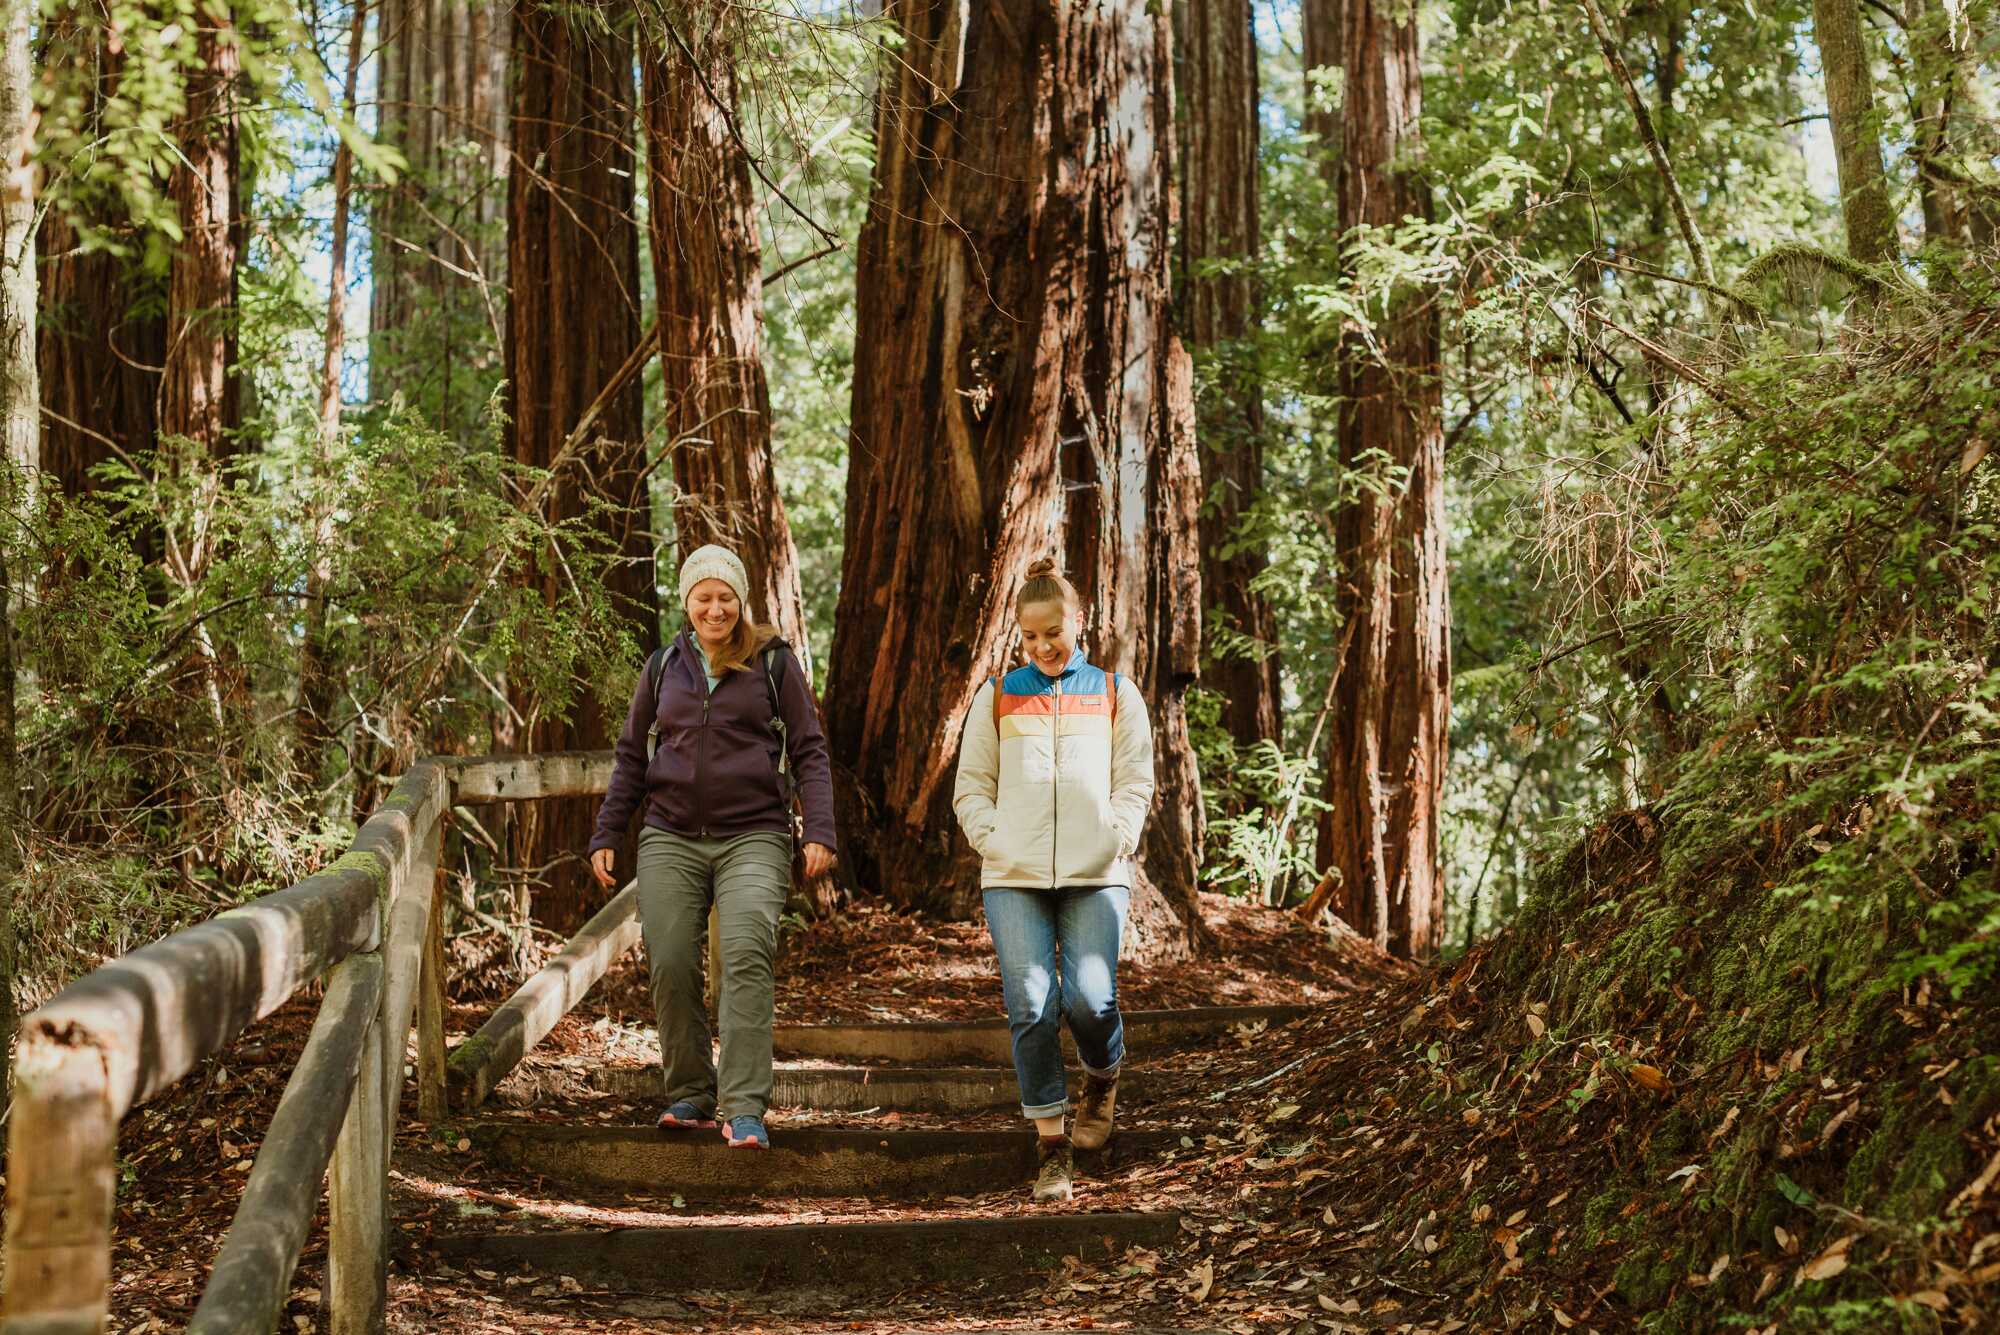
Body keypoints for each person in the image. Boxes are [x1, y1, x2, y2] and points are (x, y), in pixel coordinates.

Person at [589, 544, 836, 1150]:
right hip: (670, 835)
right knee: (671, 961)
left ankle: (745, 1106)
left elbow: (809, 750)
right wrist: (606, 832)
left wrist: (821, 829)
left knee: (746, 956)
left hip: (754, 833)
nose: (716, 607)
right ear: (688, 602)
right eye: (704, 597)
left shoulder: (772, 663)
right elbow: (629, 758)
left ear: (741, 601)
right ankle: (692, 1093)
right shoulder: (663, 667)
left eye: (726, 596)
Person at [952, 557, 1155, 1202]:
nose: (1043, 646)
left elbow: (1136, 781)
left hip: (1095, 873)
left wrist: (1116, 836)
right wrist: (995, 838)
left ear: (1078, 621)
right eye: (1031, 636)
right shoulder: (998, 694)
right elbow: (971, 787)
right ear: (1020, 635)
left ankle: (1103, 1075)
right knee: (1032, 1005)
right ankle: (1051, 1144)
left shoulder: (1116, 692)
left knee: (1091, 1000)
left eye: (1054, 632)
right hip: (1014, 875)